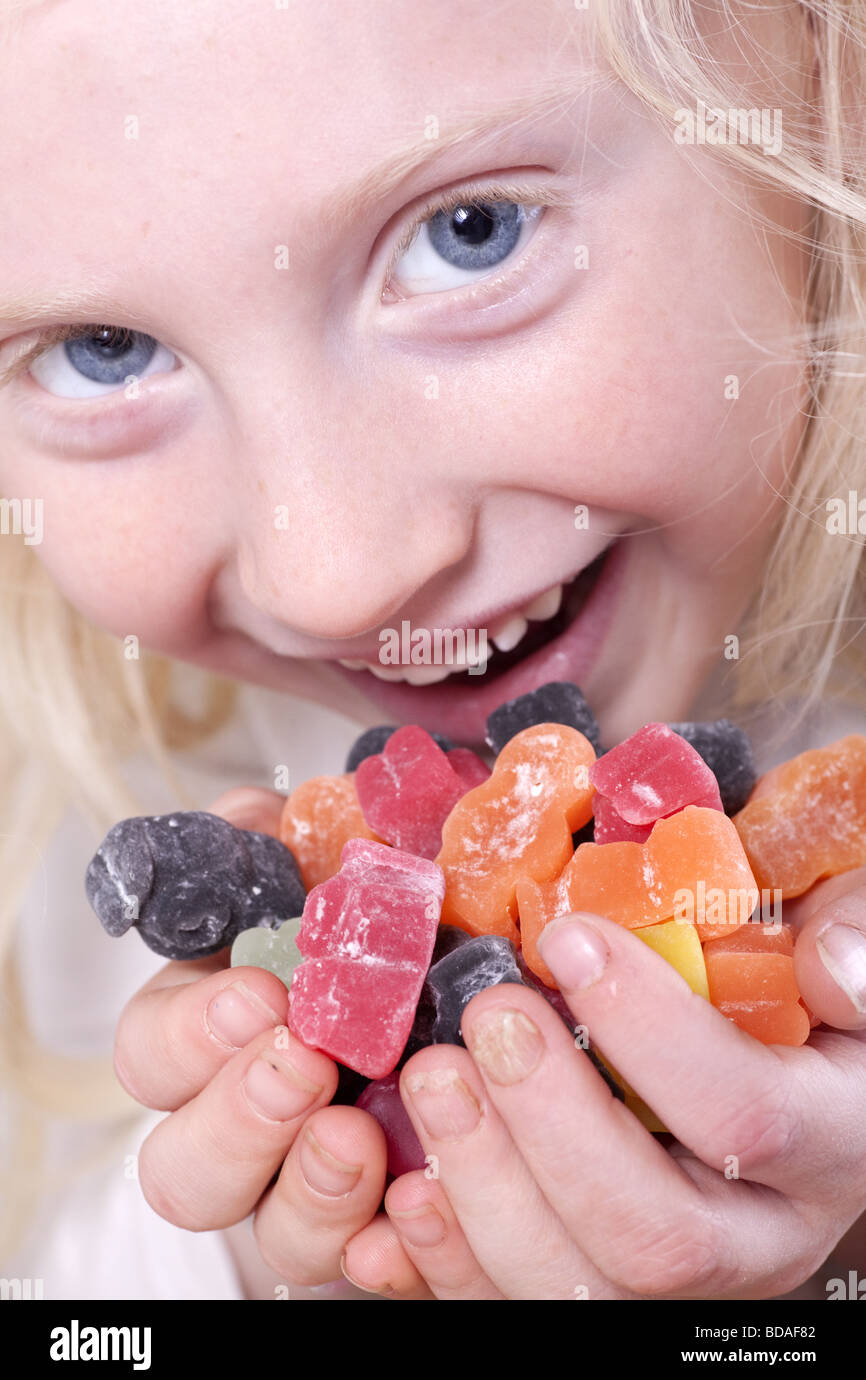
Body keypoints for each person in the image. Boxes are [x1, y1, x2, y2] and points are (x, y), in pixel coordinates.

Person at [1, 0, 864, 1300]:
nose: (337, 577)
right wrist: (264, 1250)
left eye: (471, 234)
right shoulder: (85, 818)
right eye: (99, 351)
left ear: (827, 80)